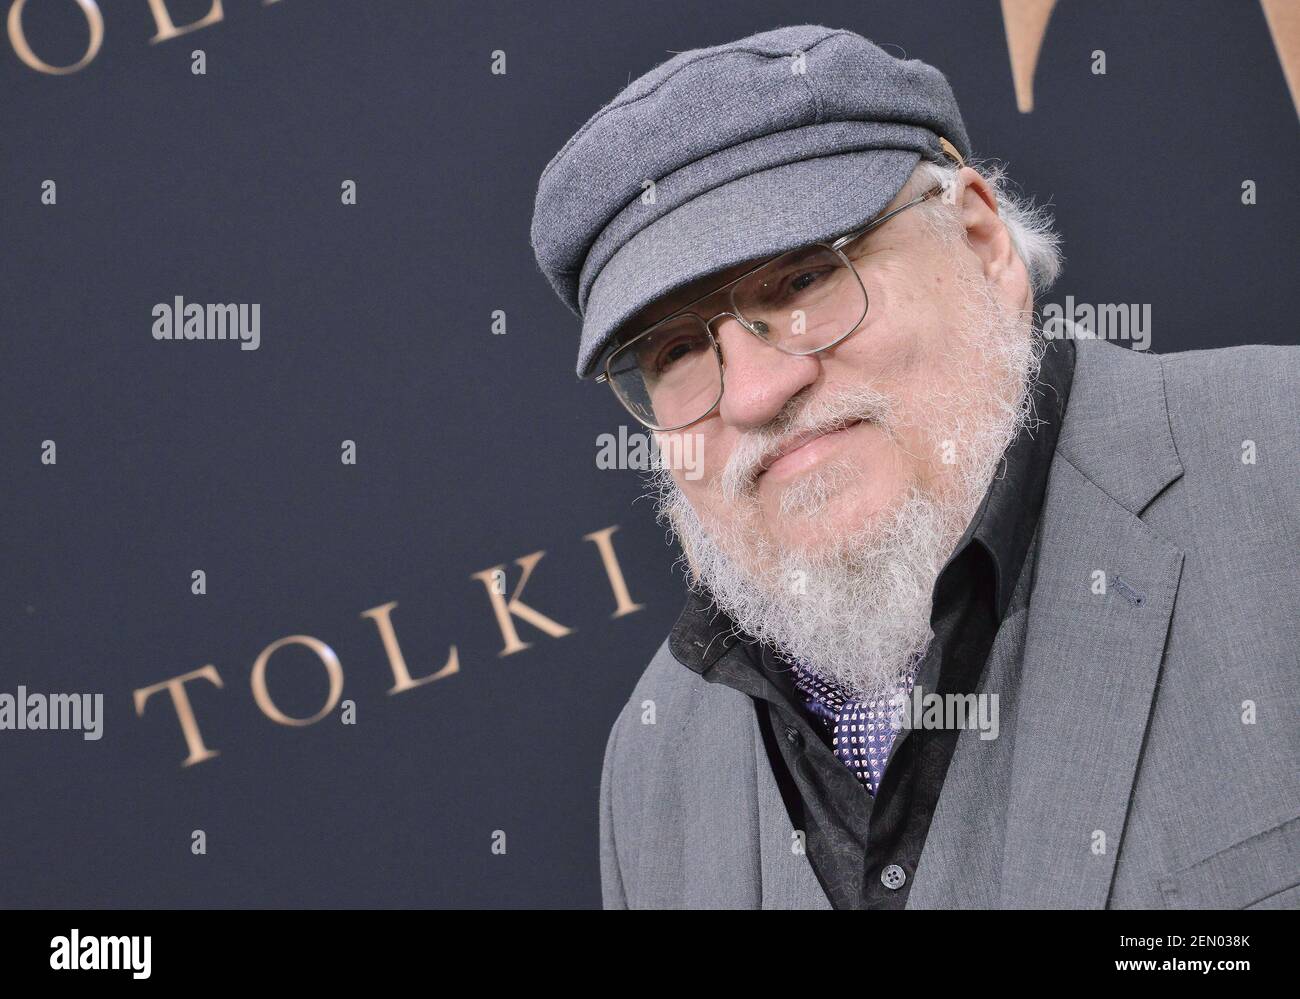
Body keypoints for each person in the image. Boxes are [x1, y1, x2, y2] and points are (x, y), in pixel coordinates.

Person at [529, 24, 1299, 909]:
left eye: (805, 280)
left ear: (980, 240)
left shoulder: (1282, 468)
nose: (752, 393)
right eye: (674, 351)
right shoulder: (655, 766)